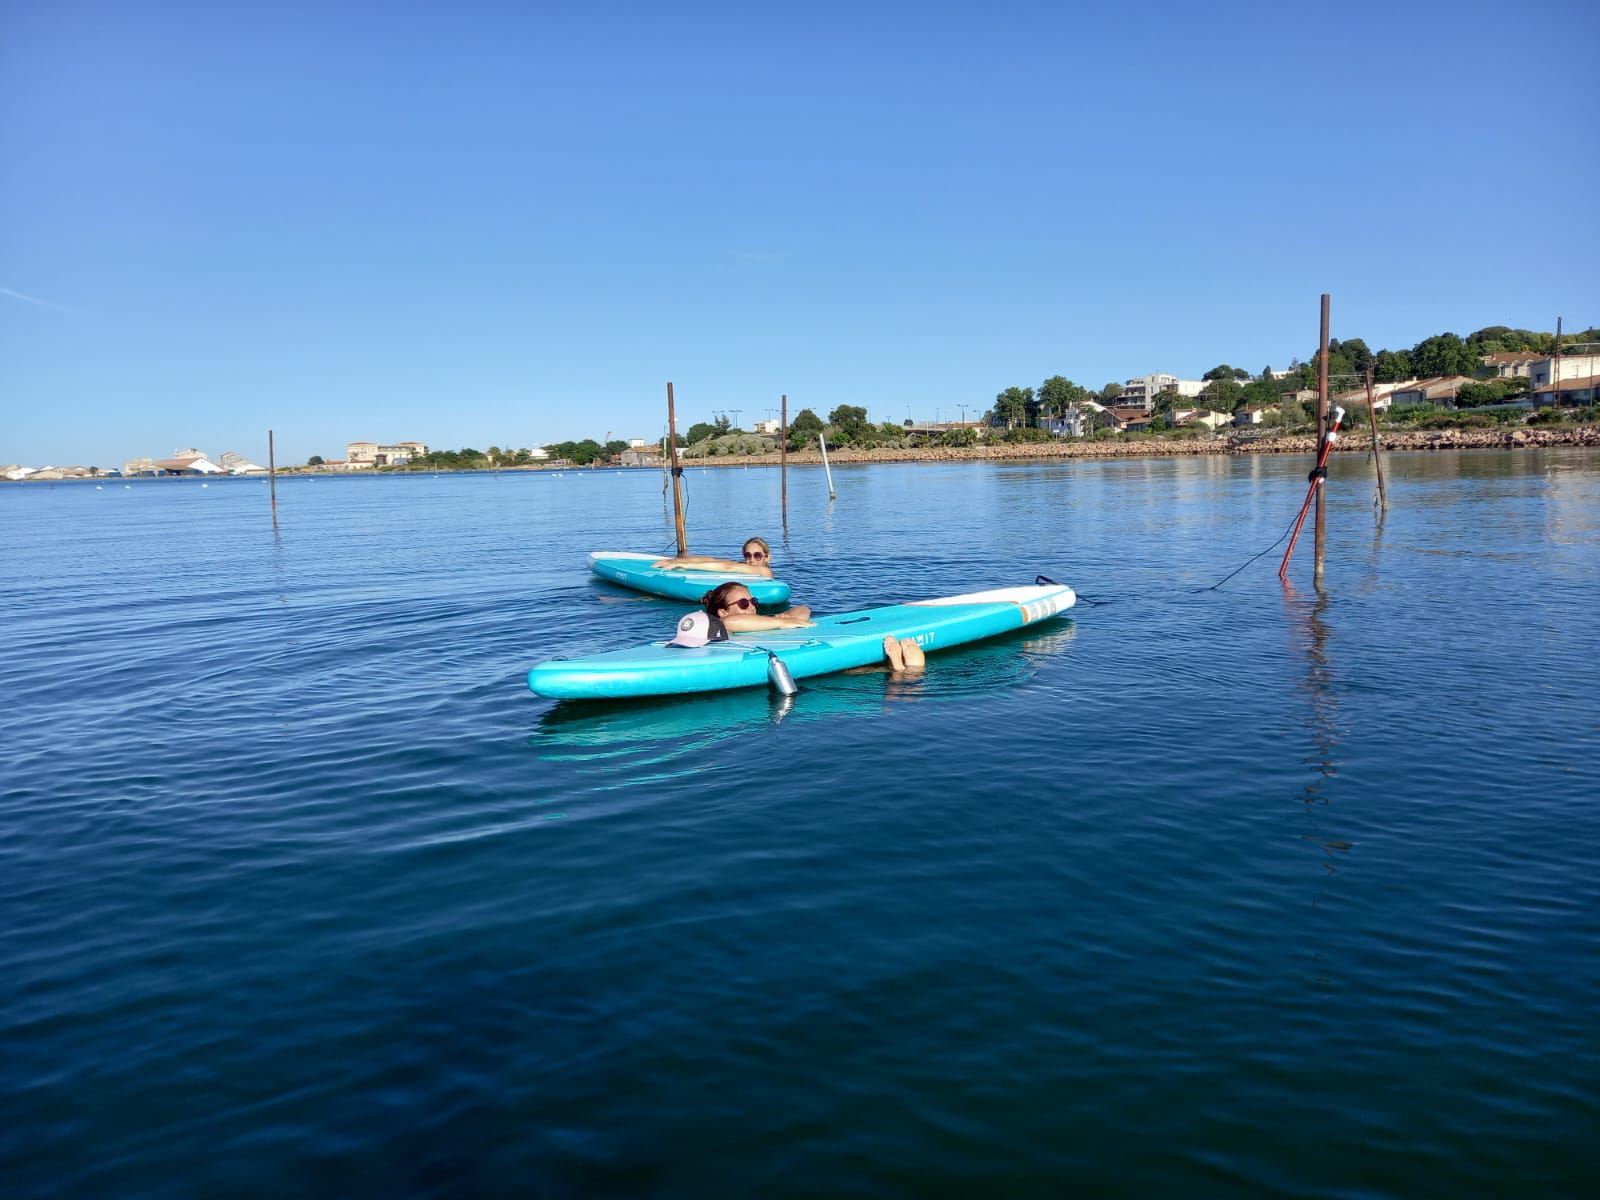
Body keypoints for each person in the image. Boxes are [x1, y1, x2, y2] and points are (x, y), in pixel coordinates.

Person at [667, 581, 813, 647]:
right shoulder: (721, 626)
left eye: (753, 601)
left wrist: (786, 620)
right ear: (723, 612)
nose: (751, 607)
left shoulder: (764, 621)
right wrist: (781, 623)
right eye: (743, 603)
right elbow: (729, 622)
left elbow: (803, 610)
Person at [652, 537, 778, 579]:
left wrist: (686, 566)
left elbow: (728, 567)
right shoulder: (744, 567)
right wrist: (678, 560)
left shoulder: (765, 572)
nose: (752, 559)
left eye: (757, 555)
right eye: (747, 555)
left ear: (767, 557)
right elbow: (716, 561)